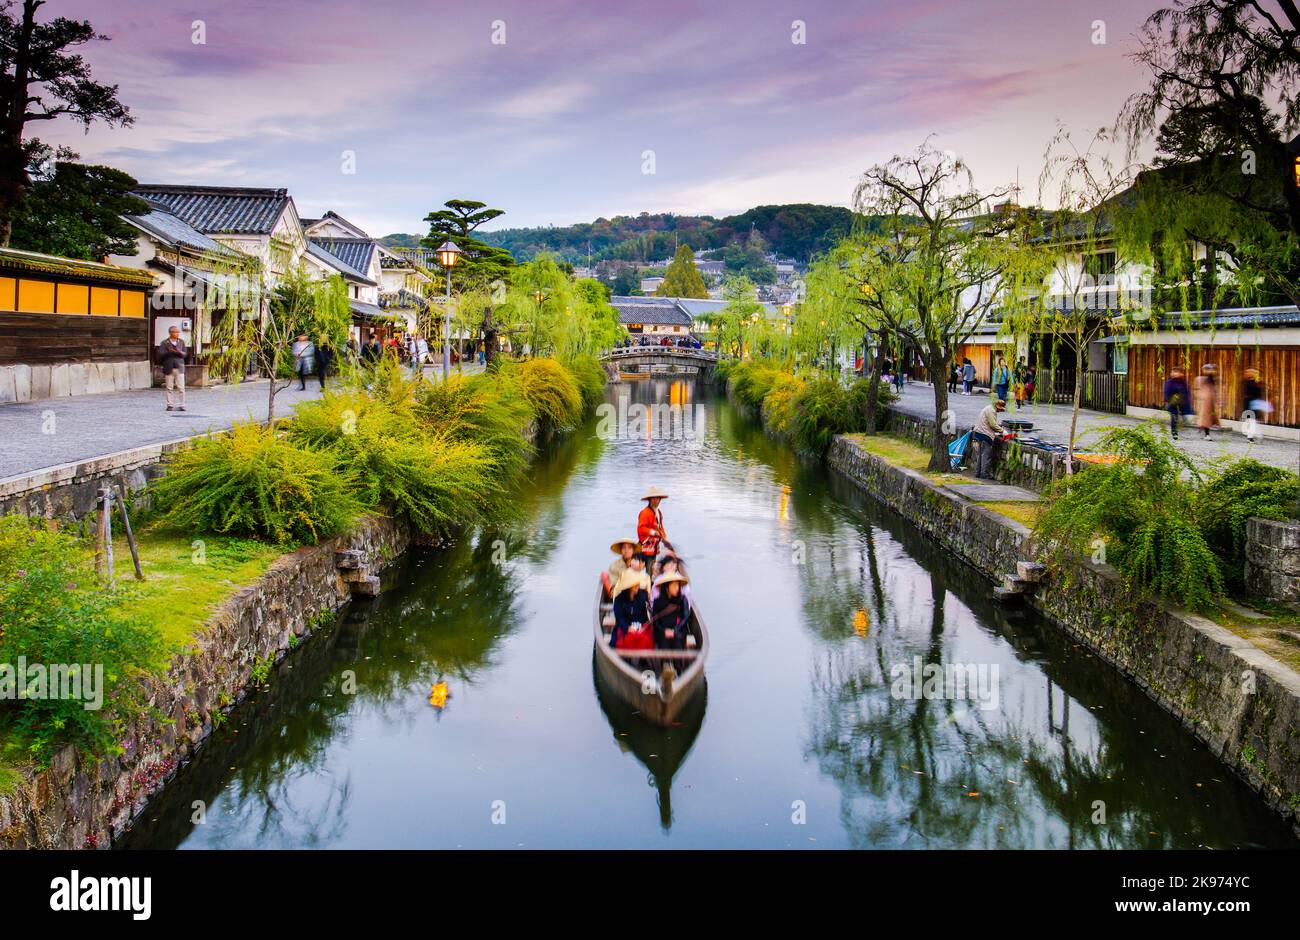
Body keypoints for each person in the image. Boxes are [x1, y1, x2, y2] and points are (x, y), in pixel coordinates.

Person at [611, 564, 652, 650]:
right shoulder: (619, 599)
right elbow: (619, 618)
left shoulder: (643, 595)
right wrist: (628, 628)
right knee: (620, 641)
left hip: (640, 627)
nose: (638, 585)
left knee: (647, 639)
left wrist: (642, 627)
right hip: (624, 626)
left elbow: (645, 616)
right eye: (634, 584)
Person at [651, 571, 692, 650]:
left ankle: (678, 662)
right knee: (664, 644)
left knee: (677, 644)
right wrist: (664, 631)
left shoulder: (682, 599)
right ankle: (665, 661)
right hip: (662, 632)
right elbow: (656, 621)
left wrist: (674, 630)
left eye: (678, 585)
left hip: (678, 630)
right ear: (667, 587)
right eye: (674, 585)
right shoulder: (658, 601)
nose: (677, 588)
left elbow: (685, 617)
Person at [972, 398, 1007, 479]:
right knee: (986, 456)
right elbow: (992, 425)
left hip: (978, 432)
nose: (1000, 411)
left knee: (980, 455)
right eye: (1000, 409)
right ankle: (984, 474)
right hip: (985, 434)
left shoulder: (988, 408)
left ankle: (978, 473)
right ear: (997, 406)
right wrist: (1002, 431)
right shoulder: (992, 411)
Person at [637, 486, 669, 569]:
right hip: (644, 549)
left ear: (660, 499)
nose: (656, 501)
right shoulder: (644, 513)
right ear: (649, 500)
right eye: (653, 499)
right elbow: (641, 529)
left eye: (658, 498)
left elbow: (661, 527)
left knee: (651, 574)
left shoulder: (659, 513)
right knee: (638, 572)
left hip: (654, 548)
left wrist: (665, 538)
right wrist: (653, 532)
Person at [158, 325, 187, 412]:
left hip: (179, 367)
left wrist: (178, 352)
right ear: (171, 333)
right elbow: (160, 354)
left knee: (181, 388)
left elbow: (185, 354)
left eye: (178, 332)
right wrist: (169, 352)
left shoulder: (181, 342)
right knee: (169, 388)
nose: (178, 334)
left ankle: (182, 405)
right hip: (169, 367)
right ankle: (170, 405)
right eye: (176, 332)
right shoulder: (164, 343)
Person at [1241, 367, 1272, 441]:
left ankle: (1252, 435)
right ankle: (1252, 436)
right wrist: (1261, 387)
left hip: (1249, 402)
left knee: (1251, 420)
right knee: (1252, 420)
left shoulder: (1247, 382)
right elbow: (1257, 393)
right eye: (1255, 373)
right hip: (1251, 403)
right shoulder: (1251, 383)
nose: (1256, 374)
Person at [1163, 367, 1192, 439]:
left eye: (1177, 372)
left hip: (1182, 402)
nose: (1175, 374)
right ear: (1171, 374)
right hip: (1172, 402)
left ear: (1180, 373)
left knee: (1185, 416)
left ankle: (1182, 425)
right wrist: (1168, 400)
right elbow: (1166, 392)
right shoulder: (1169, 382)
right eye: (1173, 372)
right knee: (1174, 417)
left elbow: (1187, 392)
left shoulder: (1183, 382)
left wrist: (1187, 400)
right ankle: (1174, 432)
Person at [1194, 362, 1220, 439]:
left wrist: (1217, 400)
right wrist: (1199, 396)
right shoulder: (1200, 379)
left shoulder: (1213, 380)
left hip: (1210, 401)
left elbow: (1215, 390)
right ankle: (1206, 434)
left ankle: (1204, 430)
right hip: (1204, 401)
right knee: (1205, 417)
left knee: (1208, 417)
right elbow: (1196, 389)